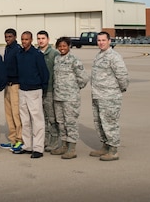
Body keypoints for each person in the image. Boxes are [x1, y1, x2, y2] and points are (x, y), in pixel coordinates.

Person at [89, 32, 129, 161]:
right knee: (99, 122)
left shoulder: (114, 56)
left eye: (103, 40)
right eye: (99, 40)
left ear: (109, 41)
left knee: (110, 123)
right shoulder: (99, 55)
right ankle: (105, 145)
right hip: (98, 95)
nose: (101, 42)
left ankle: (113, 150)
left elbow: (122, 75)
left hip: (109, 96)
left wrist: (119, 90)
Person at [13, 31, 49, 159]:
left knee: (37, 120)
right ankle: (27, 145)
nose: (24, 42)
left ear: (31, 40)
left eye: (26, 39)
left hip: (34, 90)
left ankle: (38, 148)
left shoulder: (37, 55)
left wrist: (42, 88)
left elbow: (44, 73)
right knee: (25, 120)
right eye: (22, 39)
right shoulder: (19, 54)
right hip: (23, 90)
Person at [50, 37, 88, 159]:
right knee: (61, 123)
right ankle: (64, 145)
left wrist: (73, 89)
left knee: (70, 122)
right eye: (60, 46)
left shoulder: (74, 60)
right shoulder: (57, 59)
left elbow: (83, 78)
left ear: (69, 46)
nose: (62, 48)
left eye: (64, 46)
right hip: (58, 97)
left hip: (70, 98)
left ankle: (72, 148)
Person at [37, 30, 60, 152]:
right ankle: (44, 139)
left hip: (50, 90)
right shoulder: (36, 53)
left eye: (43, 38)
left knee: (52, 117)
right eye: (39, 38)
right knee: (42, 117)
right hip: (38, 90)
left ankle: (55, 140)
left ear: (48, 40)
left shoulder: (54, 54)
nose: (41, 41)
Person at [2, 28, 23, 151]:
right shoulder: (7, 49)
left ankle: (20, 139)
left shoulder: (17, 49)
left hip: (15, 85)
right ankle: (13, 139)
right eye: (6, 36)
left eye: (9, 37)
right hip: (7, 85)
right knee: (8, 113)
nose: (7, 39)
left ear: (15, 37)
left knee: (16, 113)